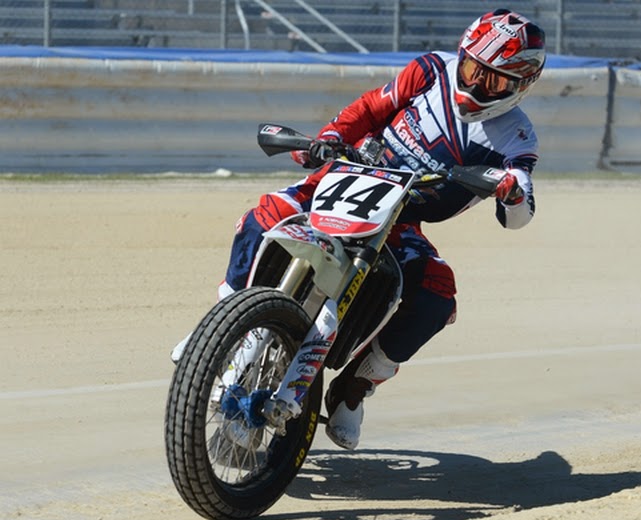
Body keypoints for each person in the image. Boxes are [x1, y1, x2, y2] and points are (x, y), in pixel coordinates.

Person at [172, 8, 546, 450]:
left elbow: (521, 208)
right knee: (265, 215)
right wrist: (330, 137)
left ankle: (355, 386)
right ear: (461, 56)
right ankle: (217, 328)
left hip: (400, 219)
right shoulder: (430, 70)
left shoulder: (516, 136)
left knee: (437, 295)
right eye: (472, 69)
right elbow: (371, 107)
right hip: (344, 179)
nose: (477, 85)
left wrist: (512, 192)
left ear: (520, 86)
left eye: (494, 81)